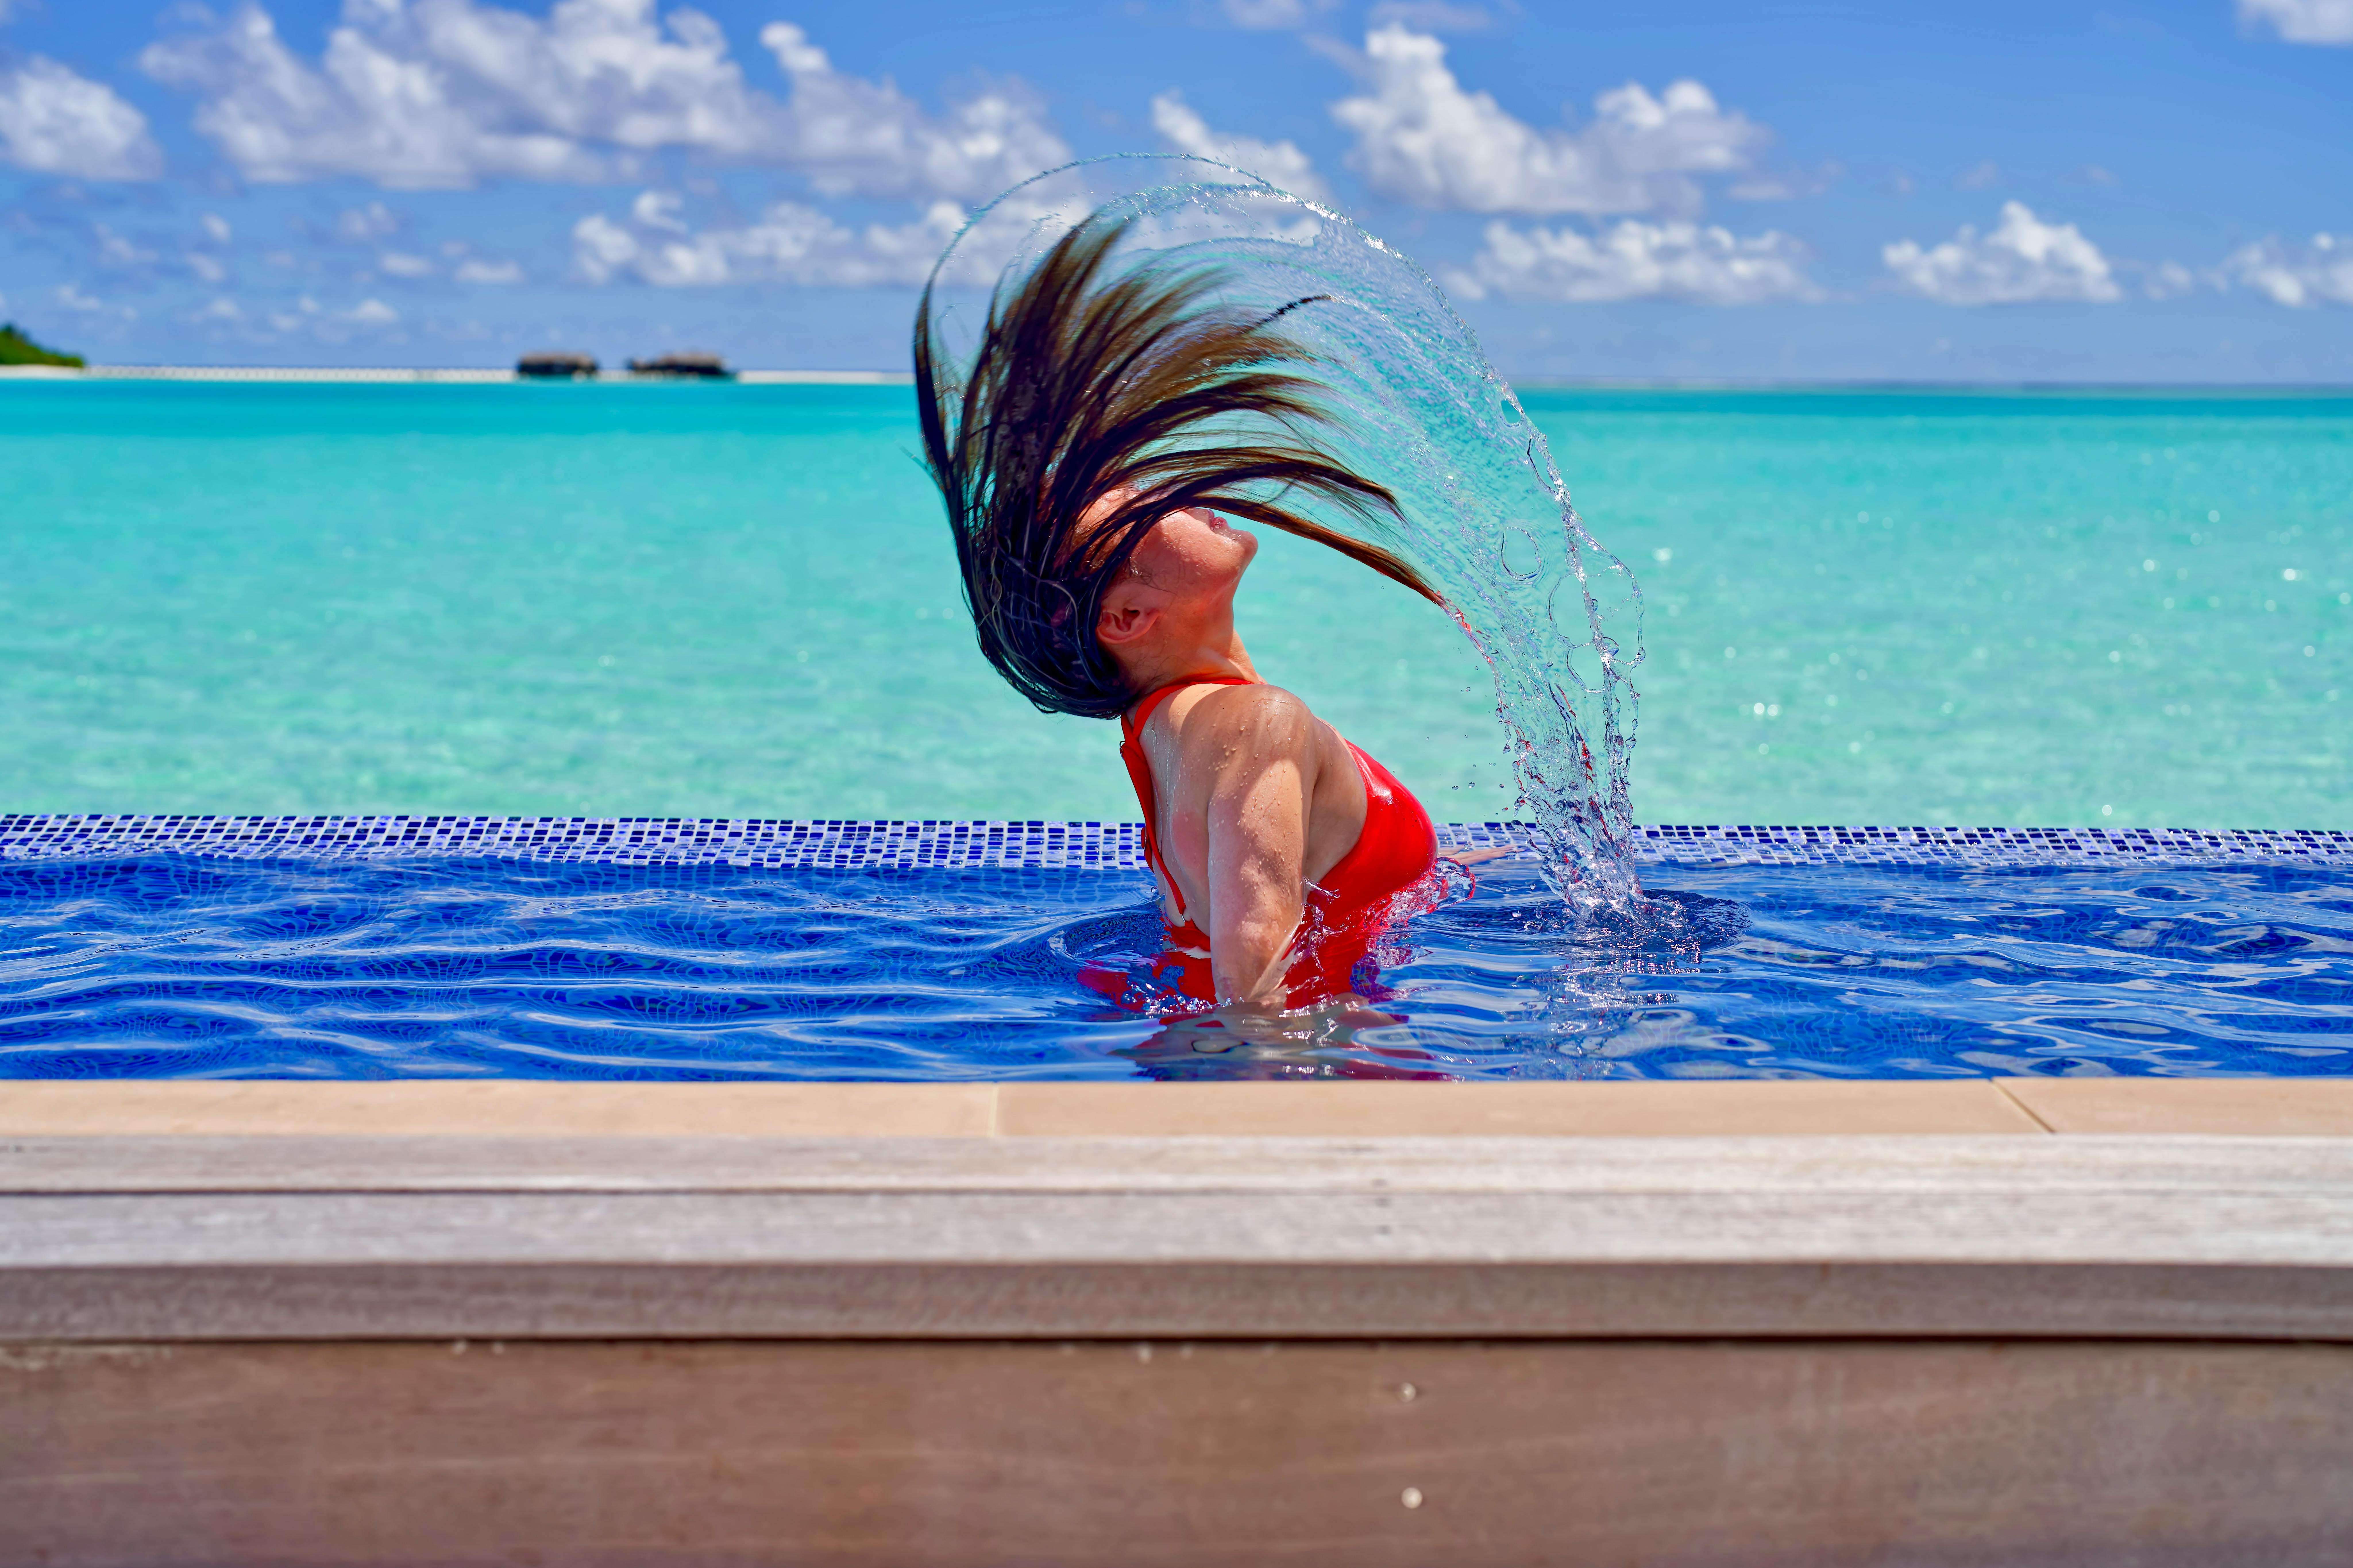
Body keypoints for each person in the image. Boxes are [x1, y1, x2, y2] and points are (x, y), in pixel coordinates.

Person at [914, 211, 1487, 1013]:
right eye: (1133, 506)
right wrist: (1265, 1118)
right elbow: (1255, 975)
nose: (1171, 488)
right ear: (1124, 617)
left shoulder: (1171, 724)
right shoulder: (1253, 725)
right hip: (1315, 1070)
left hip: (1199, 1048)